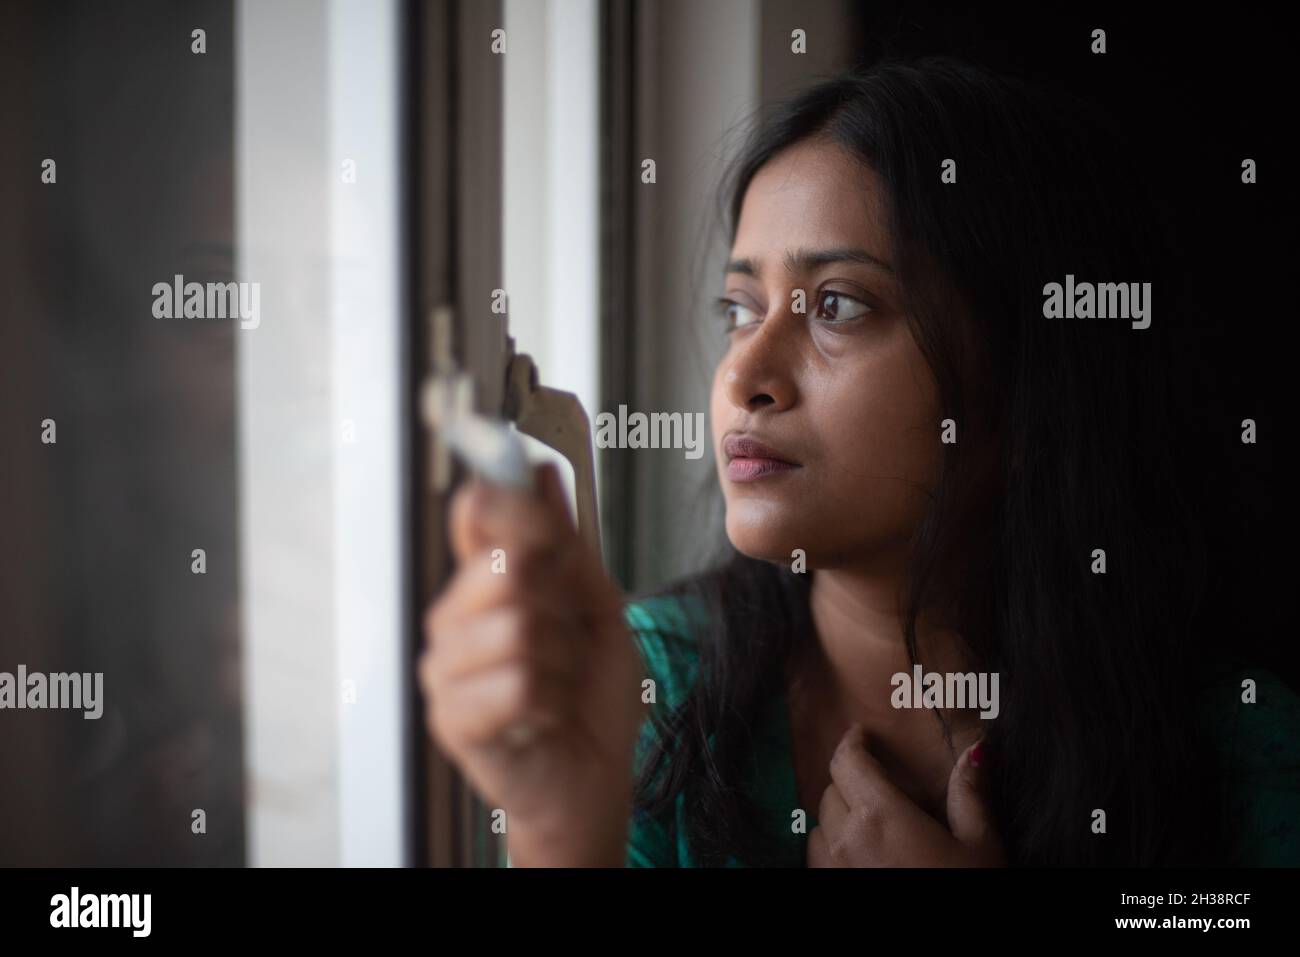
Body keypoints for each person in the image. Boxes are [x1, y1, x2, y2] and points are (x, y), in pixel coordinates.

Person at [418, 56, 1300, 867]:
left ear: (1030, 385)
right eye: (739, 308)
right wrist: (559, 826)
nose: (745, 375)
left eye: (837, 304)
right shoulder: (648, 695)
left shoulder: (1237, 745)